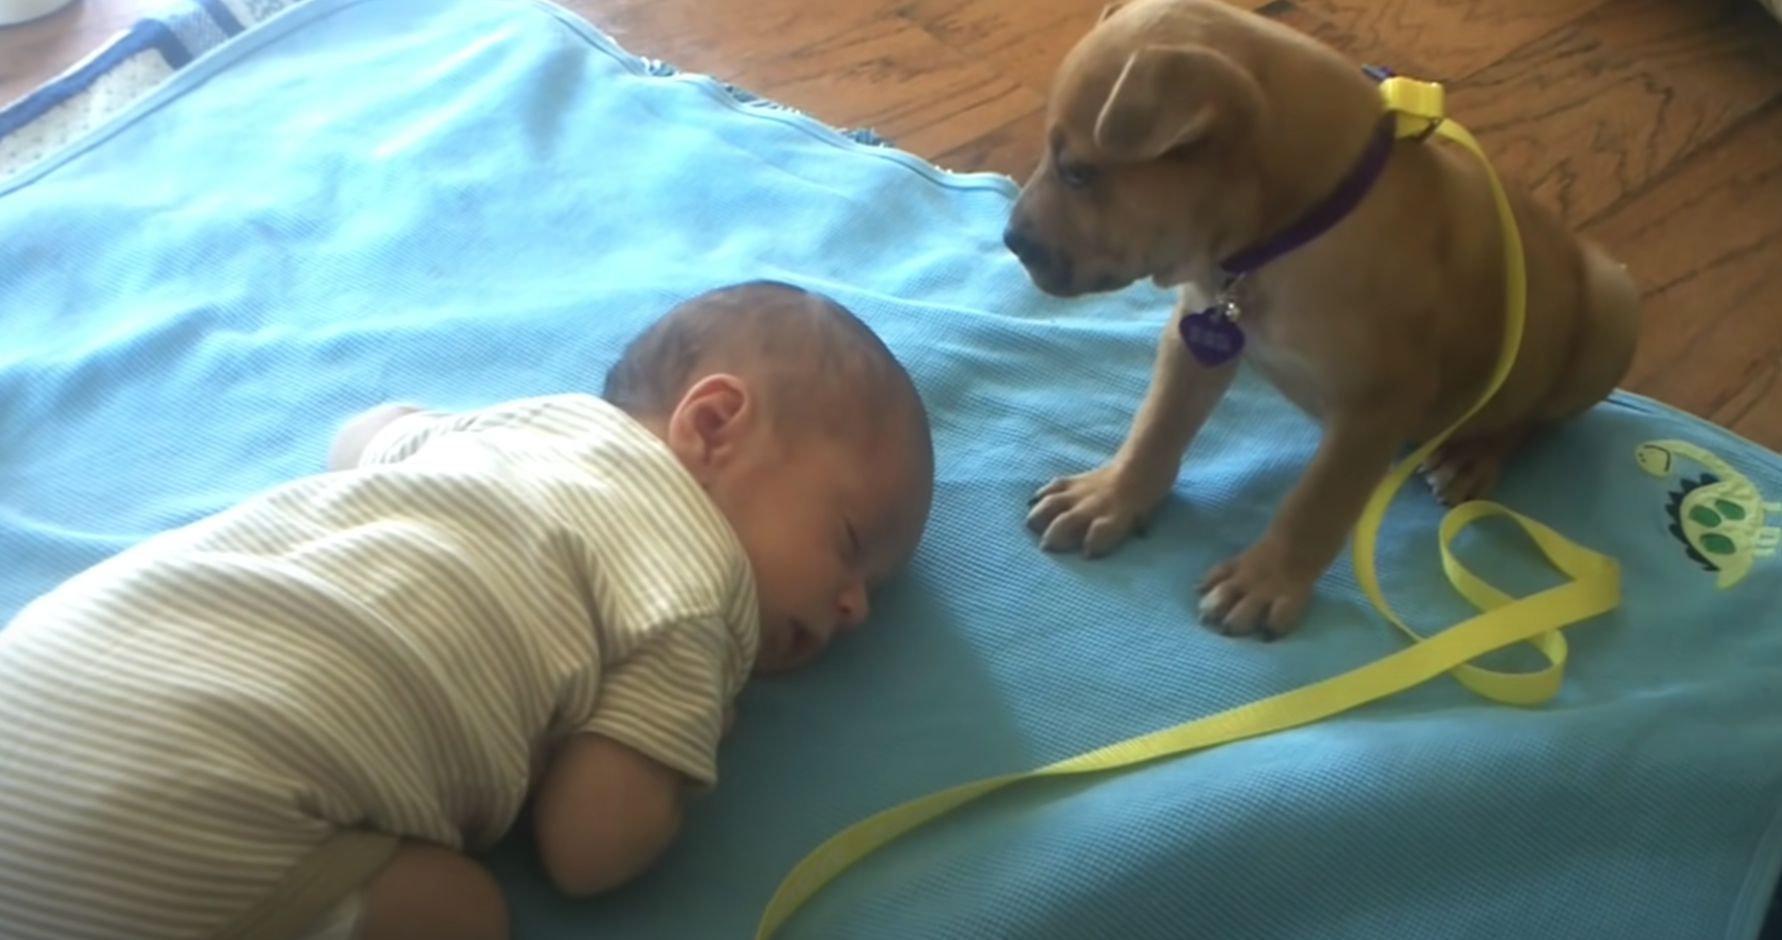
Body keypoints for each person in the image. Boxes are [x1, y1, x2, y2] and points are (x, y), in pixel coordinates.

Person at [0, 280, 935, 940]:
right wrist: (686, 745)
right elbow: (588, 847)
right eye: (851, 541)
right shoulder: (697, 591)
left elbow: (360, 436)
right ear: (713, 426)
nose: (854, 606)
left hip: (44, 678)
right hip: (191, 825)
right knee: (466, 914)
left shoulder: (521, 425)